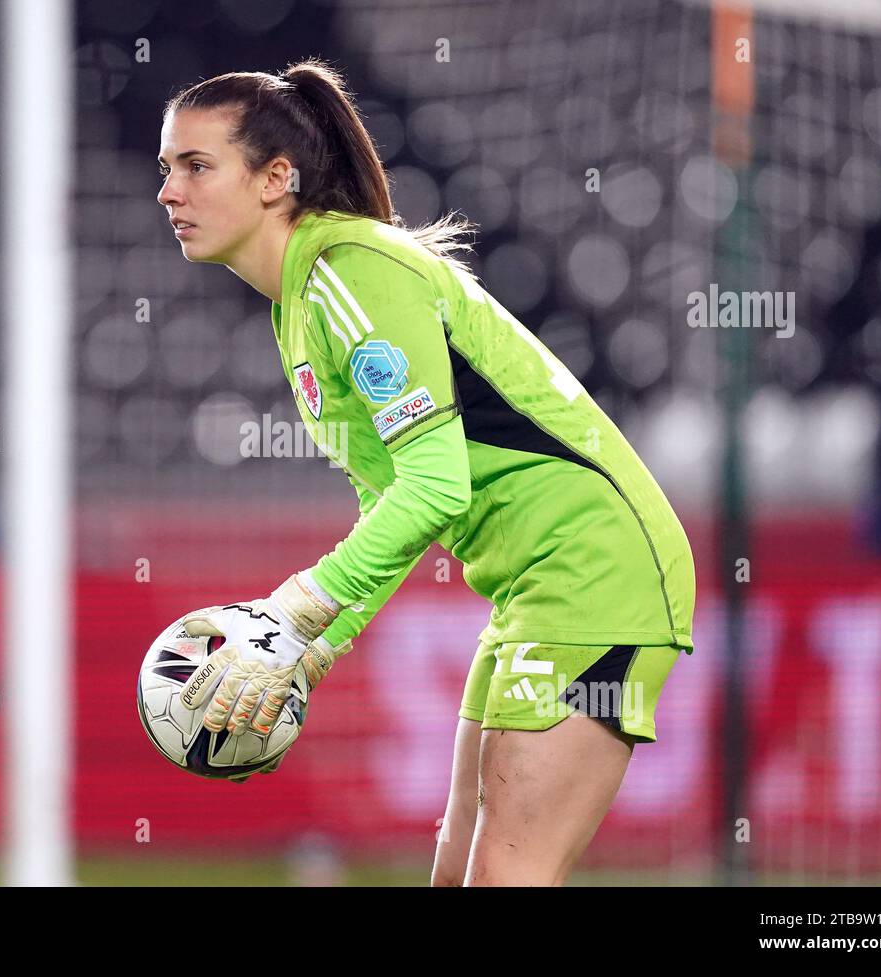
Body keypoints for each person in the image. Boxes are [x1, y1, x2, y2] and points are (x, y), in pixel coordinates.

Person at [156, 57, 696, 886]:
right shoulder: (300, 305)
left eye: (196, 165)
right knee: (455, 878)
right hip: (534, 588)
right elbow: (393, 499)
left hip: (596, 574)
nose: (170, 191)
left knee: (508, 878)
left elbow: (437, 483)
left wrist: (295, 609)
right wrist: (312, 650)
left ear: (275, 179)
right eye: (167, 169)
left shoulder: (351, 272)